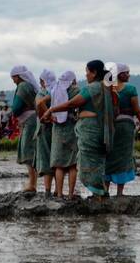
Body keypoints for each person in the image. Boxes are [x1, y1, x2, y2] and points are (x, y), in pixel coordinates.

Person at [47, 60, 115, 199]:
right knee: (96, 162)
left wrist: (52, 109)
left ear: (94, 72)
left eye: (87, 72)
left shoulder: (92, 88)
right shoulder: (104, 88)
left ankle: (100, 193)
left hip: (90, 129)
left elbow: (72, 103)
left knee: (87, 163)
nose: (86, 75)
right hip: (96, 128)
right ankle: (100, 194)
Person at [107, 63, 140, 195]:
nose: (129, 75)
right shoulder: (130, 90)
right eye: (126, 73)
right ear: (119, 74)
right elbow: (138, 112)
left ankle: (104, 190)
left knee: (108, 155)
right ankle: (119, 192)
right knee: (123, 156)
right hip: (125, 127)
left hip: (109, 126)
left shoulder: (107, 88)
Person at [9, 65, 41, 193]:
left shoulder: (23, 86)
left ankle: (32, 184)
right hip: (32, 120)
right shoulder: (30, 86)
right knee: (31, 151)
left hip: (29, 121)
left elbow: (16, 108)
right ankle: (33, 182)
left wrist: (14, 112)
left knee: (29, 152)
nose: (13, 80)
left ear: (19, 76)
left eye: (14, 78)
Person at [48, 70, 79, 197]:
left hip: (58, 129)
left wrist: (49, 115)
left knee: (59, 164)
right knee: (72, 164)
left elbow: (40, 103)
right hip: (72, 127)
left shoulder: (54, 90)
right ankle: (71, 194)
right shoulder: (75, 91)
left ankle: (59, 193)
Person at [34, 69, 56, 193]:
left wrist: (47, 116)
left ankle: (47, 190)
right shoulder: (58, 91)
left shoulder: (42, 93)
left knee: (46, 158)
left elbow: (39, 104)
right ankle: (58, 190)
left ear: (44, 82)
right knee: (56, 159)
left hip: (45, 128)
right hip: (57, 128)